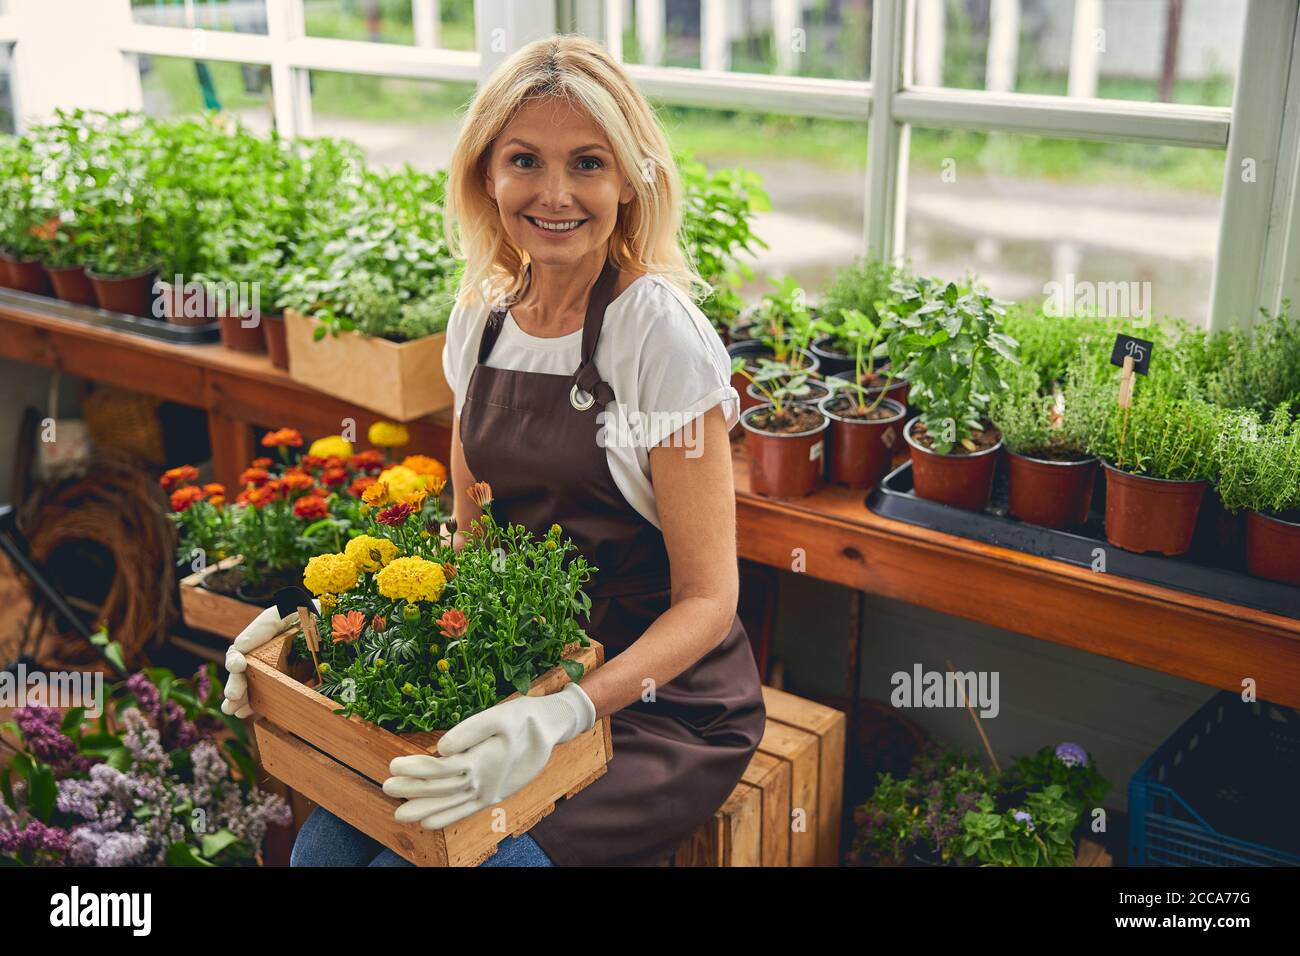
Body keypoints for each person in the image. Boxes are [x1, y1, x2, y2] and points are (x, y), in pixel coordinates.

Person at [222, 33, 766, 867]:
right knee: (322, 853)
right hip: (512, 670)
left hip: (658, 706)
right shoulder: (479, 322)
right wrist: (312, 634)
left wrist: (566, 712)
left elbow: (706, 603)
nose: (556, 193)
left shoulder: (659, 335)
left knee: (471, 859)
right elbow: (470, 546)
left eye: (588, 163)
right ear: (487, 174)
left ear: (629, 180)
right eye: (525, 161)